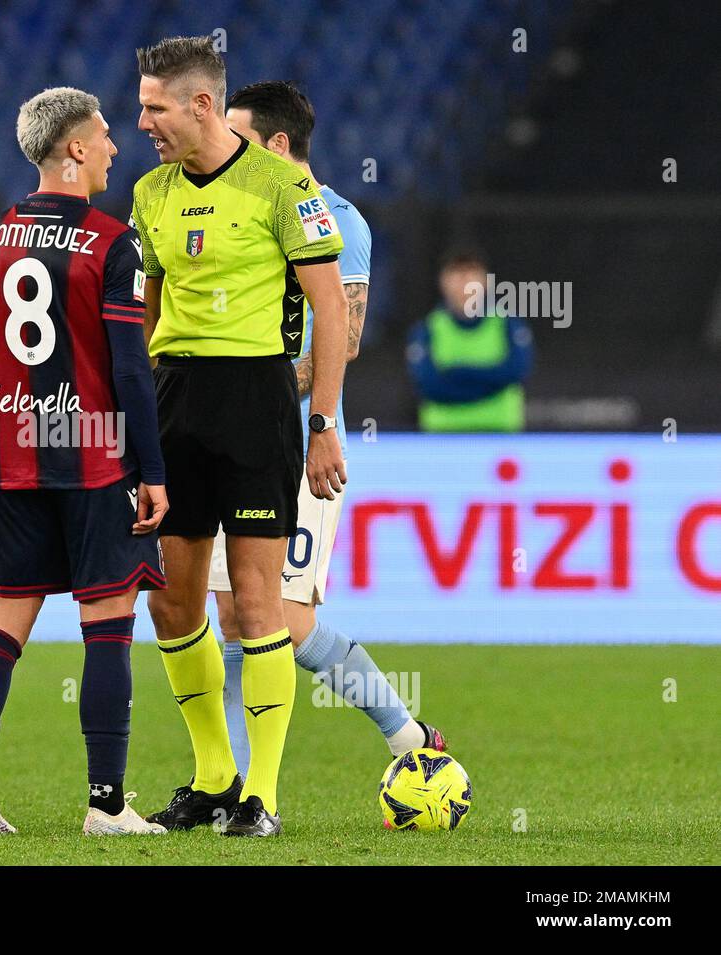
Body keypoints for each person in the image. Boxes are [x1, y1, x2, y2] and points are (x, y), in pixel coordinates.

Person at [131, 38, 348, 837]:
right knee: (171, 598)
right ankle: (214, 774)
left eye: (154, 106)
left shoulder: (282, 185)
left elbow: (332, 308)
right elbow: (148, 307)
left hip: (257, 396)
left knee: (256, 601)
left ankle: (263, 793)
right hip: (174, 397)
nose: (143, 121)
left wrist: (322, 422)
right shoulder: (149, 192)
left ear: (199, 104)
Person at [0, 87, 169, 836]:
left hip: (19, 459)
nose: (112, 146)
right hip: (98, 460)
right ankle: (107, 805)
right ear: (73, 148)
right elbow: (132, 369)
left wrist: (9, 423)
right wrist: (154, 470)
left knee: (2, 624)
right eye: (103, 135)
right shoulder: (112, 242)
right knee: (107, 624)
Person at [214, 81, 446, 770]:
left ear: (278, 146)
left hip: (301, 444)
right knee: (227, 616)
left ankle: (406, 731)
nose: (228, 153)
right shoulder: (239, 217)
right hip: (229, 443)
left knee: (284, 621)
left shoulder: (339, 221)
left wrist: (247, 394)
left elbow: (338, 345)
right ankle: (228, 780)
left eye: (241, 140)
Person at [407, 250, 534, 432]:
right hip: (442, 440)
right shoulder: (427, 329)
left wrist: (456, 374)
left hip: (500, 436)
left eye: (471, 272)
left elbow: (516, 371)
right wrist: (490, 382)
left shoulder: (508, 324)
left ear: (485, 280)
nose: (464, 281)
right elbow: (429, 385)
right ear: (443, 281)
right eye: (457, 274)